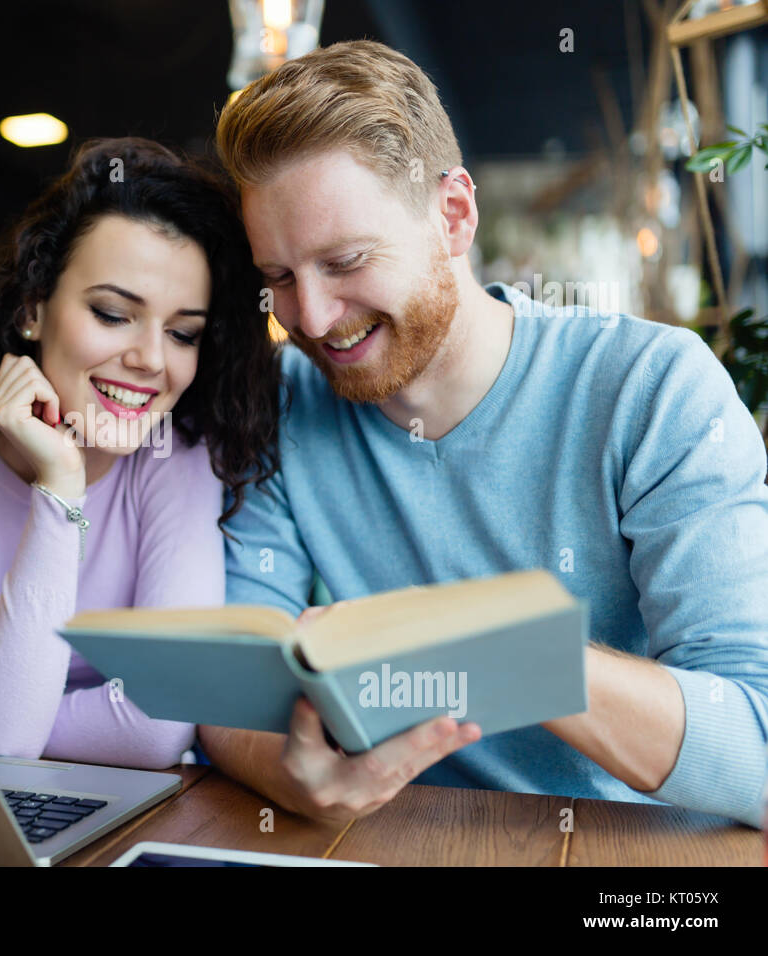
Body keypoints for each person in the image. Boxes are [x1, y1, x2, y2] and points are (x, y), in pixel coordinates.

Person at [202, 39, 768, 827]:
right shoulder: (283, 404)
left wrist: (492, 645)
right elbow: (232, 683)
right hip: (397, 842)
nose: (314, 318)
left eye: (347, 260)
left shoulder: (652, 387)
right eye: (280, 279)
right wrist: (289, 772)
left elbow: (758, 749)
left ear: (454, 215)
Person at [0, 137, 281, 769]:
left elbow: (158, 725)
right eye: (113, 314)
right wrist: (59, 488)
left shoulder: (176, 452)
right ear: (33, 307)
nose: (150, 359)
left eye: (182, 332)